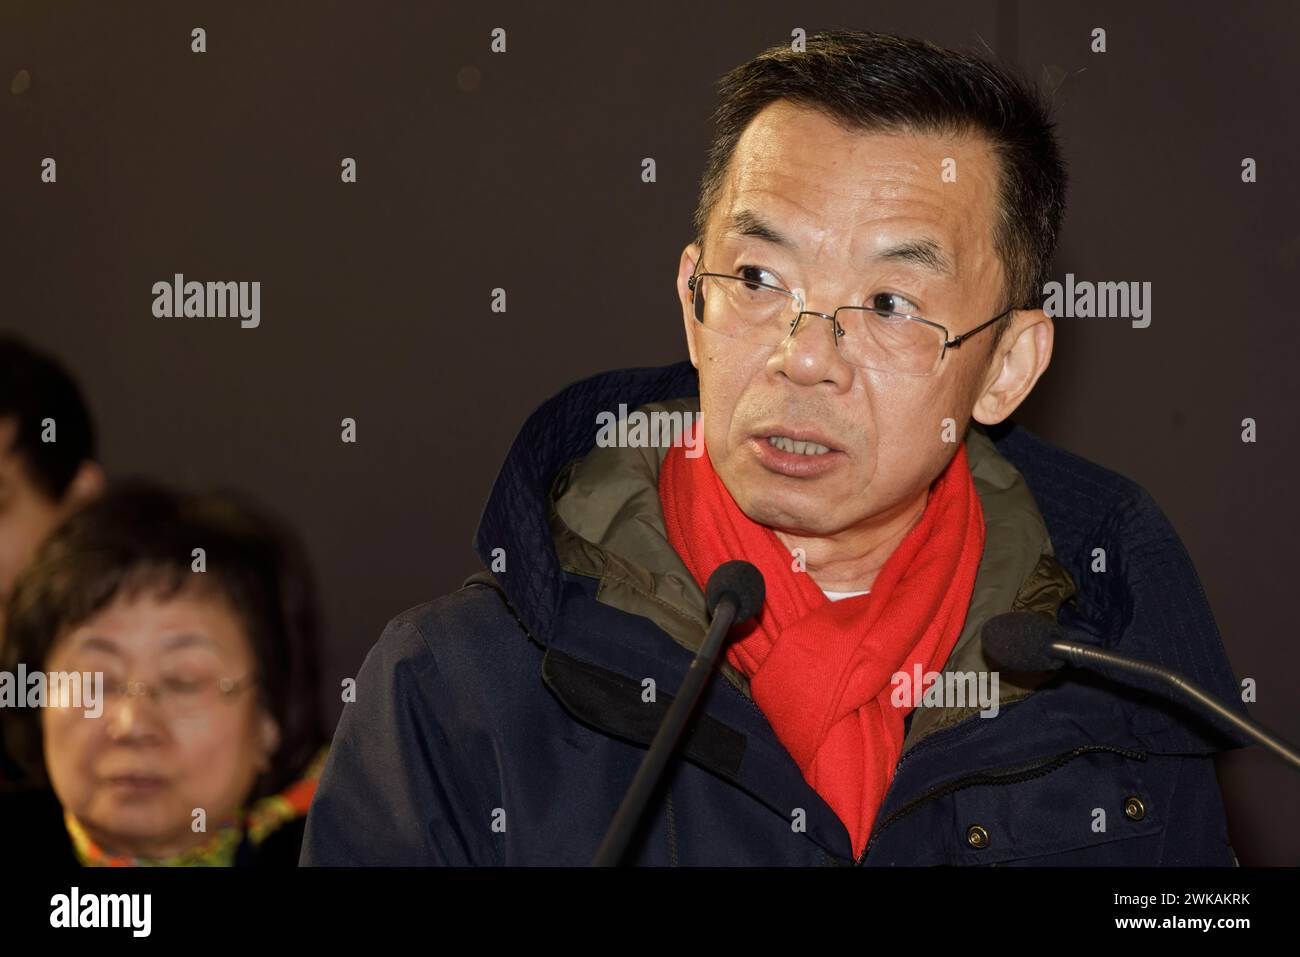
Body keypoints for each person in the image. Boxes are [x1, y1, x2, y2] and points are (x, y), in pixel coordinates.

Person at [301, 30, 1246, 865]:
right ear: (693, 301)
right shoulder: (461, 689)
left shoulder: (1118, 684)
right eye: (758, 277)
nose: (804, 358)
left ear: (1007, 365)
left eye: (888, 305)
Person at [0, 481, 328, 865]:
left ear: (269, 719)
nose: (133, 725)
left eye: (183, 682)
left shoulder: (341, 850)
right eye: (95, 682)